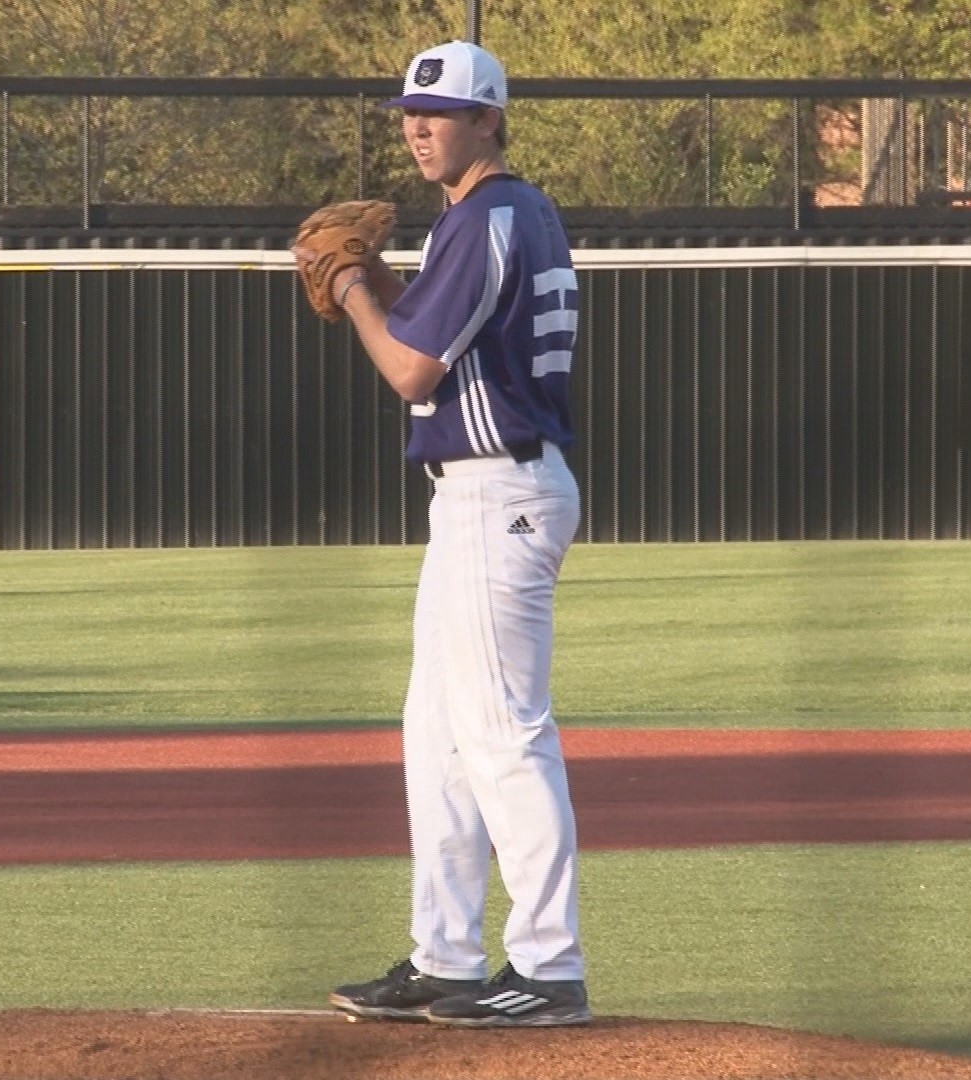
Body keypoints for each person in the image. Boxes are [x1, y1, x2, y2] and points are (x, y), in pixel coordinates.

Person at [300, 40, 591, 1029]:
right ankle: (448, 956)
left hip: (498, 492)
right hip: (477, 497)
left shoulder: (486, 216)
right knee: (439, 741)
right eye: (409, 113)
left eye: (441, 111)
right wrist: (377, 286)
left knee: (506, 738)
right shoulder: (512, 214)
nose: (419, 127)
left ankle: (550, 967)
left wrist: (349, 291)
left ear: (490, 118)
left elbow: (411, 371)